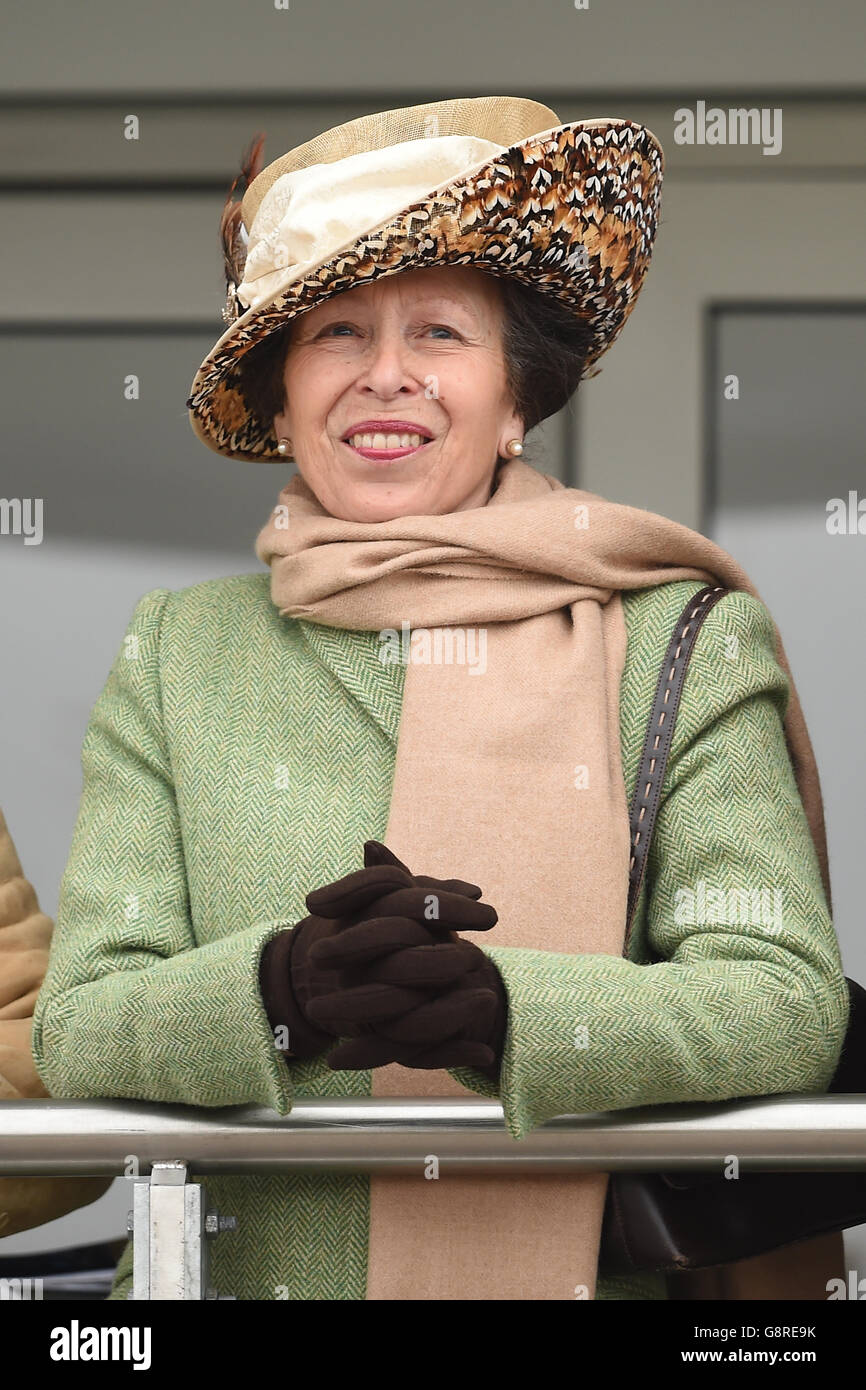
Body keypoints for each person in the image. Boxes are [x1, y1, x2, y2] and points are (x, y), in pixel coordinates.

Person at [31, 96, 848, 1301]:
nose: (386, 377)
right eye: (336, 333)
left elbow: (782, 1005)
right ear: (278, 397)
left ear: (518, 398)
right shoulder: (178, 647)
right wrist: (278, 990)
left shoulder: (683, 632)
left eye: (438, 334)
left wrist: (501, 1012)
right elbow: (78, 1027)